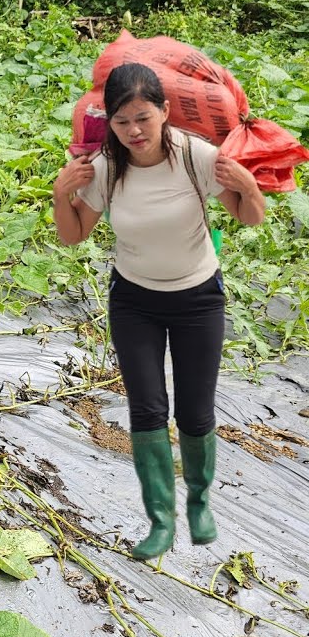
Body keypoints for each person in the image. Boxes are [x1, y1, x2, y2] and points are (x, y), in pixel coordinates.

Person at [52, 63, 265, 560]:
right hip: (134, 302)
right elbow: (72, 233)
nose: (135, 132)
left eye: (144, 118)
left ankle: (200, 504)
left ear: (166, 112)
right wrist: (62, 193)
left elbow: (249, 216)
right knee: (147, 410)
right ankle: (160, 520)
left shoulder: (196, 158)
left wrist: (248, 187)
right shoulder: (106, 166)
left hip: (198, 299)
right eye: (122, 122)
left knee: (195, 411)